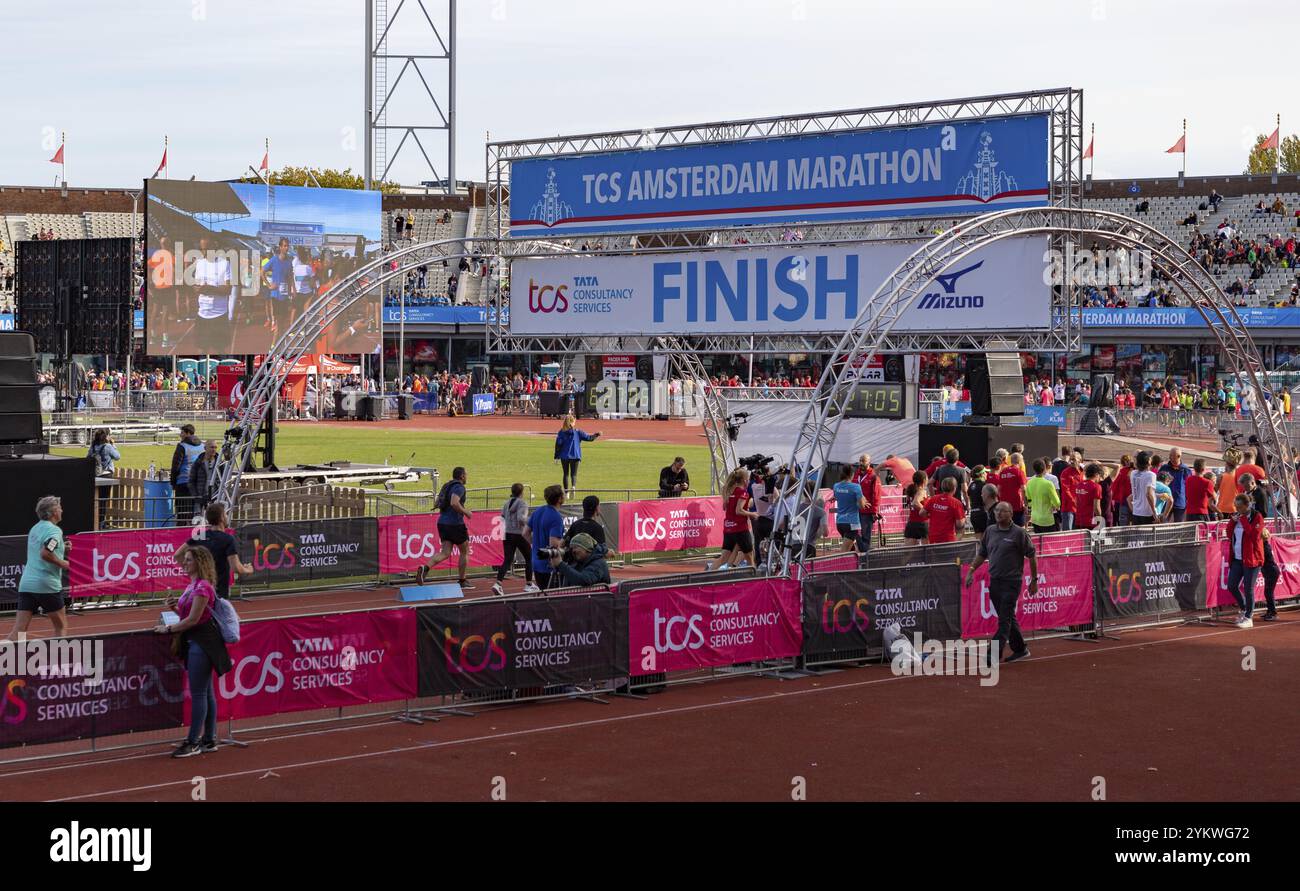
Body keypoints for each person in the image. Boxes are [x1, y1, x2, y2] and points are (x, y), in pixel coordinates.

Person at [153, 546, 232, 758]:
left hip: (203, 643)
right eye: (185, 560)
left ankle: (193, 742)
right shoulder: (194, 585)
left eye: (189, 560)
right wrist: (174, 609)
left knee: (199, 694)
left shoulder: (202, 587)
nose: (184, 563)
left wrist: (167, 628)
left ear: (199, 562)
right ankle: (208, 739)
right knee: (206, 693)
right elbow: (191, 615)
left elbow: (193, 620)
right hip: (198, 641)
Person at [965, 502, 1038, 665]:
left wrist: (1034, 580)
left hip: (1012, 582)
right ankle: (1020, 649)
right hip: (995, 581)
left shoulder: (1019, 533)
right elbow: (982, 553)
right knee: (1008, 617)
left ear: (1011, 513)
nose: (998, 513)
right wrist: (971, 570)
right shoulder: (990, 531)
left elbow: (1032, 555)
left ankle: (993, 654)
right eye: (997, 510)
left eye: (1002, 511)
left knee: (1004, 620)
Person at [7, 497, 70, 641]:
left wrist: (62, 547)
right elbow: (45, 552)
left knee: (19, 631)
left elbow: (44, 548)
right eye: (59, 508)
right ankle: (57, 660)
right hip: (47, 585)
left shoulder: (35, 528)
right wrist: (63, 563)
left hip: (27, 585)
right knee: (60, 627)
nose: (62, 510)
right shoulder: (55, 531)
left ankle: (10, 659)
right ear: (53, 512)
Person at [175, 503, 251, 601]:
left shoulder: (200, 535)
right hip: (218, 591)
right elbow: (236, 568)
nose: (227, 516)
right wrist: (248, 570)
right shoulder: (227, 539)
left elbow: (178, 555)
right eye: (226, 514)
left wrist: (192, 572)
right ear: (222, 517)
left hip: (200, 588)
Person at [415, 467, 474, 589]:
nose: (467, 477)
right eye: (466, 474)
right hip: (455, 523)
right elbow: (454, 502)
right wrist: (466, 512)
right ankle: (463, 580)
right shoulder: (459, 487)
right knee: (465, 551)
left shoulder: (446, 486)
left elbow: (437, 503)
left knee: (445, 552)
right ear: (462, 476)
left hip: (442, 522)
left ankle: (425, 568)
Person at [1224, 494, 1265, 629]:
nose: (1237, 509)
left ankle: (1249, 617)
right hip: (1237, 558)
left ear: (1247, 506)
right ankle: (1244, 609)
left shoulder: (1257, 516)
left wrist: (1243, 520)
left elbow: (1254, 535)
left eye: (1240, 507)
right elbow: (1229, 534)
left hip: (1252, 559)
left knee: (1249, 588)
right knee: (1231, 585)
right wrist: (1232, 522)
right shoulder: (1237, 516)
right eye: (1236, 506)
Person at [709, 468, 757, 570]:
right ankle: (754, 577)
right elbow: (738, 510)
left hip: (728, 529)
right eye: (748, 479)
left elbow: (725, 507)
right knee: (750, 556)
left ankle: (707, 574)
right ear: (745, 481)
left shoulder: (729, 492)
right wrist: (752, 514)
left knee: (724, 557)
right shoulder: (743, 493)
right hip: (740, 529)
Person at [493, 483, 534, 596]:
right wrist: (531, 522)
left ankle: (498, 583)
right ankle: (529, 584)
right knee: (529, 558)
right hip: (519, 534)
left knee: (507, 559)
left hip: (507, 534)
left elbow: (502, 517)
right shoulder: (523, 503)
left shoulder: (506, 503)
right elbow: (521, 518)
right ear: (522, 492)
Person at [529, 485, 567, 591]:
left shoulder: (538, 511)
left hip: (536, 562)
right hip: (548, 566)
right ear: (559, 498)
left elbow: (525, 532)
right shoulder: (556, 517)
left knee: (544, 594)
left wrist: (535, 544)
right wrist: (565, 547)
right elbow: (554, 543)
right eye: (563, 494)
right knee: (553, 598)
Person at [554, 414, 600, 497]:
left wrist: (556, 457)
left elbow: (558, 445)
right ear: (572, 422)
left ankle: (566, 493)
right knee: (574, 474)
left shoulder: (561, 432)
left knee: (565, 474)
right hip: (575, 455)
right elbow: (589, 438)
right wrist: (596, 434)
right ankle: (573, 487)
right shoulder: (577, 432)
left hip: (564, 456)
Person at [170, 424, 206, 523]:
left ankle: (181, 534)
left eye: (182, 432)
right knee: (197, 513)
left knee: (182, 513)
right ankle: (196, 534)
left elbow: (175, 466)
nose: (180, 435)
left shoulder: (182, 446)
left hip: (184, 483)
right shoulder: (203, 446)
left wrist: (173, 482)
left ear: (188, 433)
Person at [851, 454, 882, 555]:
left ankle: (865, 560)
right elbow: (851, 488)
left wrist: (874, 511)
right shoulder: (856, 475)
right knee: (852, 532)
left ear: (869, 462)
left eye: (863, 461)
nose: (860, 463)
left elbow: (876, 495)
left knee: (865, 536)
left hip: (867, 512)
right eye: (860, 460)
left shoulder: (873, 476)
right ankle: (861, 555)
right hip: (855, 510)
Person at [832, 465, 867, 552]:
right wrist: (864, 501)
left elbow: (837, 497)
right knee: (844, 552)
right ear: (852, 474)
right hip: (852, 523)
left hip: (840, 523)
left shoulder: (836, 486)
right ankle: (839, 565)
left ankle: (853, 565)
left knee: (852, 549)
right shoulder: (856, 487)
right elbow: (862, 506)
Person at [921, 477, 966, 544]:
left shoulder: (933, 499)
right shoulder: (956, 503)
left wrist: (931, 516)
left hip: (933, 536)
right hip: (948, 538)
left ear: (942, 487)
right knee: (962, 529)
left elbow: (921, 513)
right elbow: (959, 524)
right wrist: (964, 519)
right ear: (954, 488)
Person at [1025, 459, 1061, 534]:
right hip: (1047, 519)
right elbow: (1057, 503)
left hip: (1035, 518)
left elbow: (1029, 500)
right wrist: (1054, 505)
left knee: (1039, 543)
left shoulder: (1029, 482)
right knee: (1050, 543)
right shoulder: (1048, 484)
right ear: (1045, 468)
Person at [187, 440, 221, 520]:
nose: (214, 449)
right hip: (200, 498)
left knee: (214, 521)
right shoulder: (198, 463)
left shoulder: (221, 463)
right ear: (205, 448)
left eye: (215, 447)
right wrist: (196, 496)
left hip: (216, 498)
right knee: (198, 522)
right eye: (212, 447)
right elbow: (191, 481)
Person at [1158, 447, 1193, 523]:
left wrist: (1187, 501)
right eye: (1170, 455)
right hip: (1165, 502)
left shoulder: (1186, 470)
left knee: (1178, 526)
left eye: (1172, 455)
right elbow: (1158, 484)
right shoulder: (1164, 468)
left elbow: (1190, 487)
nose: (1170, 457)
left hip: (1180, 503)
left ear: (1178, 456)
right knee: (1162, 524)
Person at [996, 453, 1029, 526]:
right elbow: (1023, 489)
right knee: (1020, 529)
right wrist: (1026, 504)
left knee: (1006, 528)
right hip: (1017, 506)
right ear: (1020, 461)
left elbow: (998, 490)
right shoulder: (1019, 472)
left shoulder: (1002, 472)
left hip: (1005, 506)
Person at [1128, 451, 1158, 526]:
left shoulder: (1133, 473)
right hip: (1147, 513)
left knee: (1138, 536)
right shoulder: (1151, 475)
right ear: (1148, 462)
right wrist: (1154, 513)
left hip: (1136, 512)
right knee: (1148, 536)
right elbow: (1148, 494)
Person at [1074, 464, 1104, 530]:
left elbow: (1076, 502)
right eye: (1100, 476)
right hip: (1091, 522)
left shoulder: (1079, 485)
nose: (1099, 479)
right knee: (1091, 540)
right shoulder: (1096, 486)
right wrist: (1100, 519)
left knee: (1080, 540)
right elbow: (1096, 507)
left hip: (1078, 520)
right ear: (1096, 474)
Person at [1058, 452, 1082, 531]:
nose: (1071, 461)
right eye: (1071, 459)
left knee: (1078, 532)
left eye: (1074, 459)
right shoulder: (1065, 472)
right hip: (1068, 508)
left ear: (1080, 461)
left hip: (1080, 508)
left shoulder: (1083, 472)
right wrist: (1074, 501)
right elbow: (1066, 490)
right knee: (1067, 533)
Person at [903, 472, 929, 545]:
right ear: (924, 480)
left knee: (909, 553)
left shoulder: (910, 489)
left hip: (912, 523)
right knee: (927, 551)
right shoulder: (921, 491)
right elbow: (915, 503)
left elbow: (911, 505)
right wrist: (926, 512)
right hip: (922, 523)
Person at [1111, 454, 1133, 526]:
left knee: (1123, 521)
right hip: (1133, 500)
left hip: (1123, 499)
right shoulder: (1135, 471)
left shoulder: (1121, 471)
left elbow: (1115, 485)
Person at [968, 468, 991, 534]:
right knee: (986, 538)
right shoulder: (984, 485)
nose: (986, 474)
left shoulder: (971, 485)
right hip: (983, 514)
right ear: (982, 474)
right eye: (985, 472)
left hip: (973, 514)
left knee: (978, 539)